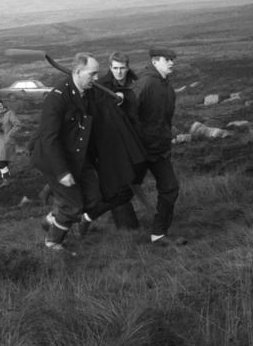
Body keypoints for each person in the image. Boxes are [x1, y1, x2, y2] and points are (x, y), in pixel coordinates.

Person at [32, 53, 102, 255]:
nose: (96, 79)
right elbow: (49, 139)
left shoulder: (86, 91)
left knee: (94, 199)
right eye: (93, 74)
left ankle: (52, 219)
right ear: (78, 72)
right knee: (73, 206)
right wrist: (62, 172)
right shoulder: (56, 99)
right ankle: (52, 243)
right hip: (54, 159)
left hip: (78, 157)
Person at [77, 52, 147, 235]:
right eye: (115, 68)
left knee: (130, 183)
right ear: (110, 68)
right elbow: (95, 113)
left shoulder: (134, 84)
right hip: (114, 147)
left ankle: (86, 218)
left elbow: (138, 111)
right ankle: (78, 219)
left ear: (128, 67)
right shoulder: (101, 88)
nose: (119, 72)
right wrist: (112, 102)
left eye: (122, 68)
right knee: (121, 187)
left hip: (135, 143)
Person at [133, 48, 185, 247]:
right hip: (140, 150)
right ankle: (80, 215)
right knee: (118, 192)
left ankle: (159, 235)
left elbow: (164, 119)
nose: (172, 62)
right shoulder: (145, 84)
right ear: (155, 61)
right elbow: (130, 115)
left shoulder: (166, 86)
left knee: (170, 188)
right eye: (167, 59)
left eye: (173, 59)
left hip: (159, 150)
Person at [0, 100, 21, 188]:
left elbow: (17, 125)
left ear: (3, 106)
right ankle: (6, 179)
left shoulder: (9, 114)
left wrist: (9, 135)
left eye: (0, 105)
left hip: (6, 141)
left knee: (0, 161)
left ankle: (6, 180)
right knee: (2, 161)